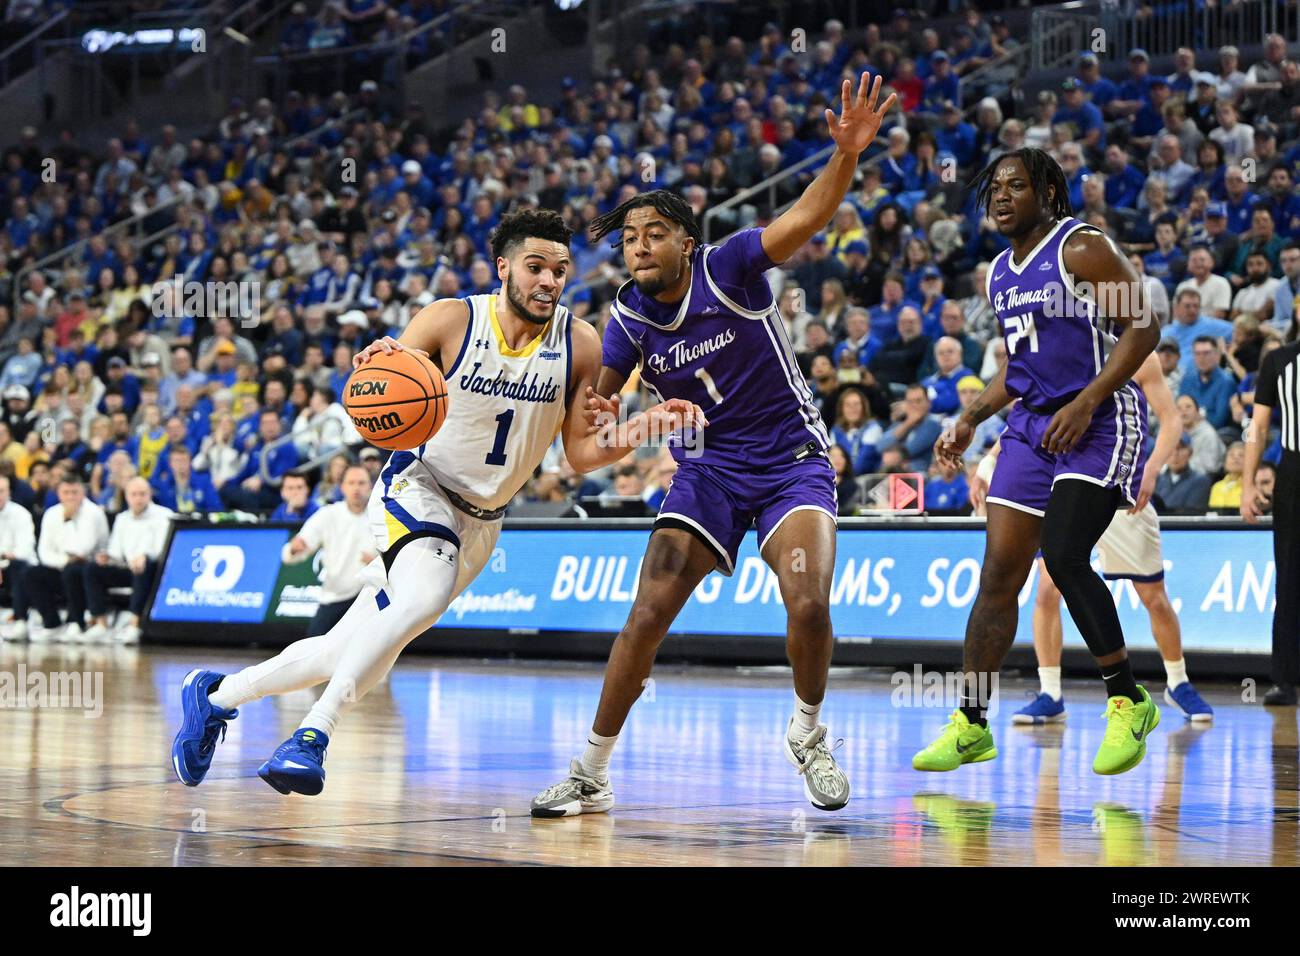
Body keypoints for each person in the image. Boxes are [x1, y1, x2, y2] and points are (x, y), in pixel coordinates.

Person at [171, 208, 701, 795]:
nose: (549, 280)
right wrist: (374, 366)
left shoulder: (578, 343)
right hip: (417, 487)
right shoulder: (452, 319)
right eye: (535, 267)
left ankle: (214, 696)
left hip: (483, 522)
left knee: (344, 652)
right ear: (504, 268)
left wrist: (643, 425)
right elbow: (378, 388)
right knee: (417, 601)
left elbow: (579, 453)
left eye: (560, 269)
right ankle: (312, 735)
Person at [533, 74, 897, 818]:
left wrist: (846, 156)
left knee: (808, 603)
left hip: (792, 461)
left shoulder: (729, 264)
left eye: (654, 233)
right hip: (708, 473)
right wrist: (613, 417)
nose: (638, 245)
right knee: (646, 613)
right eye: (629, 237)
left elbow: (809, 214)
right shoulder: (628, 320)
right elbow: (591, 440)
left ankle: (807, 734)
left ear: (685, 241)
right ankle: (591, 769)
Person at [919, 146, 1161, 777]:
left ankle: (1129, 700)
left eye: (1015, 186)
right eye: (994, 187)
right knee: (999, 573)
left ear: (1047, 193)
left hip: (1100, 420)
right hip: (1032, 429)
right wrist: (970, 418)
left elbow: (1144, 329)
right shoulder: (1000, 271)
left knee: (1063, 553)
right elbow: (1016, 371)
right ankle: (971, 723)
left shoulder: (1080, 248)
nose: (1000, 196)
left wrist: (1086, 401)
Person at [971, 353, 1214, 724]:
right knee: (1047, 591)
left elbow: (1171, 420)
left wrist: (1149, 471)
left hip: (1116, 482)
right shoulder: (1059, 345)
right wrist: (991, 461)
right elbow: (1030, 415)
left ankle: (1178, 681)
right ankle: (1050, 690)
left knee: (1152, 595)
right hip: (1066, 481)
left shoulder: (1136, 354)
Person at [1241, 332, 1300, 705]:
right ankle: (1284, 678)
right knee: (1290, 575)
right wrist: (1247, 484)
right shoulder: (1278, 360)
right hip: (1293, 470)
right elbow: (1258, 427)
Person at [282, 464, 374, 637]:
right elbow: (296, 550)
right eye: (351, 483)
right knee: (313, 649)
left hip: (370, 598)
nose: (356, 488)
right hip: (335, 595)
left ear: (370, 487)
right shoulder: (328, 514)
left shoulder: (382, 516)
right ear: (342, 487)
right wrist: (294, 549)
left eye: (361, 483)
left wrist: (378, 564)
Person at [82, 477, 172, 644]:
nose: (138, 498)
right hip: (126, 567)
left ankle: (134, 625)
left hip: (153, 569)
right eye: (134, 494)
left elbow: (163, 549)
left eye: (142, 494)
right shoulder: (122, 518)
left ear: (150, 494)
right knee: (92, 569)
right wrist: (107, 556)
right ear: (127, 496)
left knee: (143, 567)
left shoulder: (164, 515)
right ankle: (101, 624)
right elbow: (116, 550)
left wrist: (144, 555)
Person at [25, 476, 109, 642]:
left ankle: (75, 622)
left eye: (74, 492)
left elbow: (83, 549)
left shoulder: (93, 513)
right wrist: (64, 561)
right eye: (66, 492)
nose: (70, 497)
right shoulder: (51, 513)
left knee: (73, 571)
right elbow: (44, 552)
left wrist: (69, 520)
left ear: (83, 493)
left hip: (89, 569)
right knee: (31, 574)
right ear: (58, 494)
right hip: (61, 566)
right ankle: (52, 623)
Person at [0, 474, 36, 640]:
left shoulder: (21, 514)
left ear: (9, 493)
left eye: (1, 491)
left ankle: (20, 621)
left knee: (18, 566)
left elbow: (24, 550)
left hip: (18, 567)